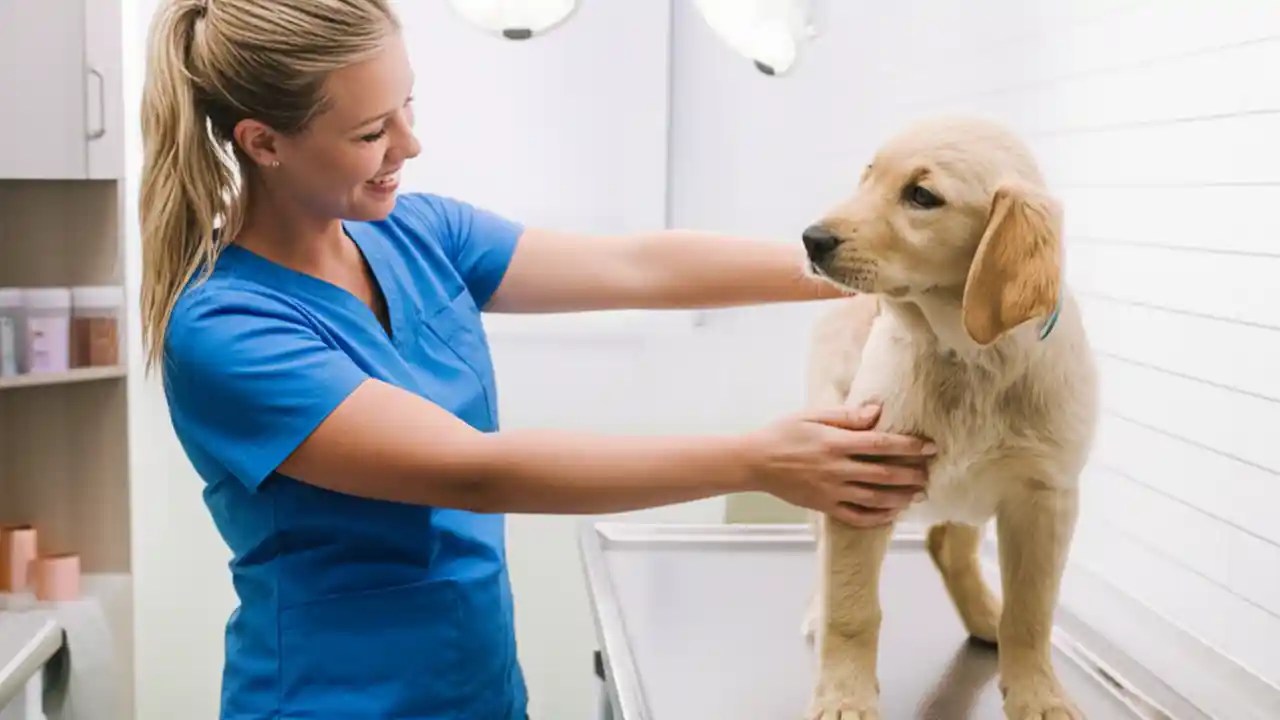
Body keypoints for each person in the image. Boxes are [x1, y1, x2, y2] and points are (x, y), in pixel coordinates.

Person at [138, 1, 935, 718]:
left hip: (476, 687)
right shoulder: (226, 328)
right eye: (371, 132)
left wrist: (868, 267)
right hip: (331, 701)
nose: (410, 144)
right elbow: (474, 473)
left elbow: (637, 268)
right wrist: (756, 461)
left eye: (407, 106)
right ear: (263, 142)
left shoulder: (418, 234)